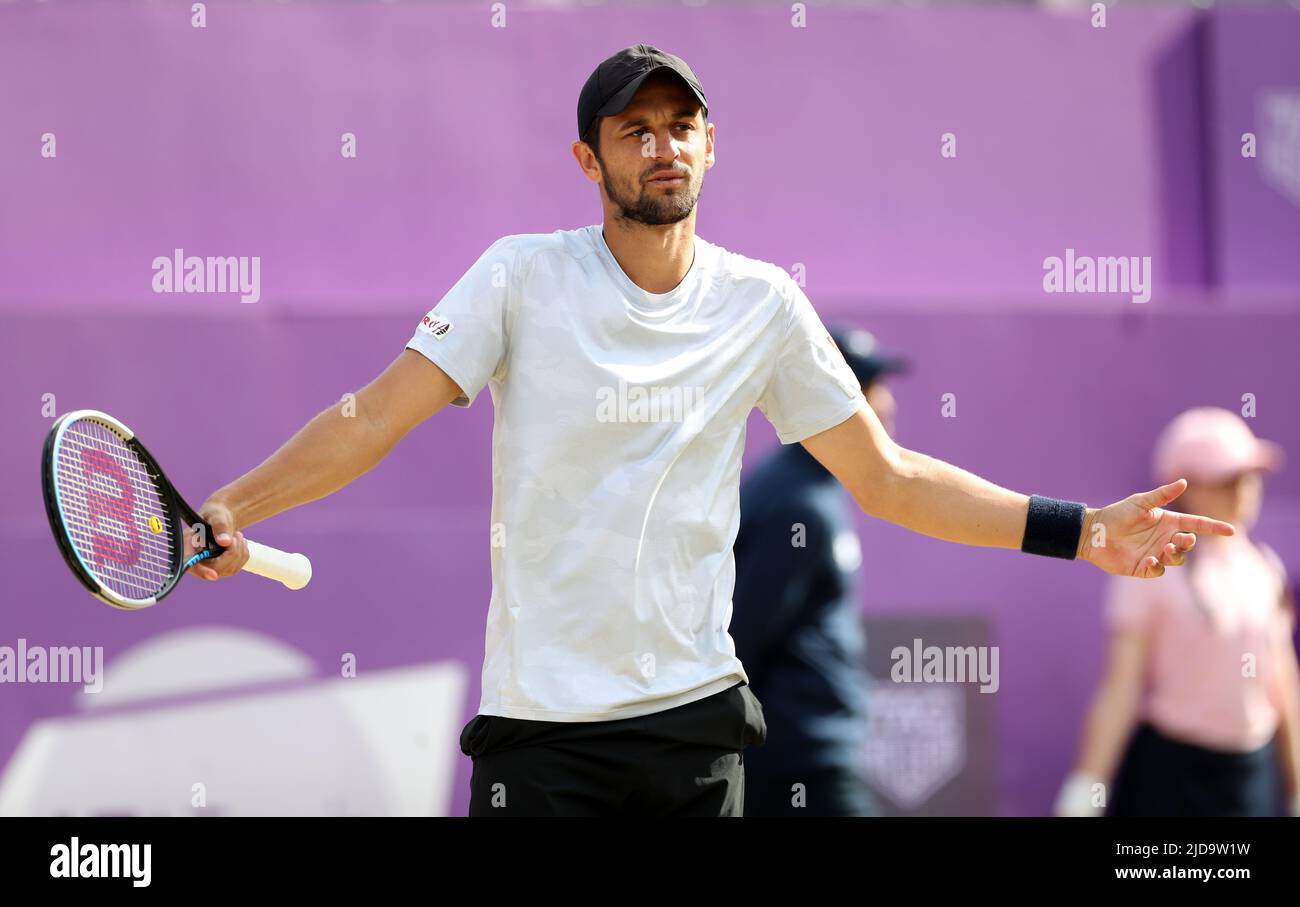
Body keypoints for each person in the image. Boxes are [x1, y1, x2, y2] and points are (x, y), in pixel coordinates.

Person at [185, 44, 1236, 817]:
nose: (661, 147)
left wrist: (1079, 530)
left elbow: (890, 478)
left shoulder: (764, 304)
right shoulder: (517, 277)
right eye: (633, 130)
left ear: (710, 143)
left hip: (696, 727)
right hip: (541, 737)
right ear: (588, 160)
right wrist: (237, 504)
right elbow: (373, 416)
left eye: (678, 126)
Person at [1055, 408, 1300, 817]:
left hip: (1250, 780)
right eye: (1226, 480)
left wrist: (1296, 788)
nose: (1243, 491)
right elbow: (1121, 688)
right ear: (1182, 491)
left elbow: (1284, 686)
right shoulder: (1149, 570)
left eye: (1249, 478)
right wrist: (1086, 787)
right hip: (1171, 779)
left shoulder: (1266, 569)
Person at [731, 327, 905, 816]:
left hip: (801, 755)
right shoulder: (799, 504)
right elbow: (742, 637)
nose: (887, 405)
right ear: (834, 395)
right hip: (798, 762)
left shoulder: (806, 487)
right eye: (872, 388)